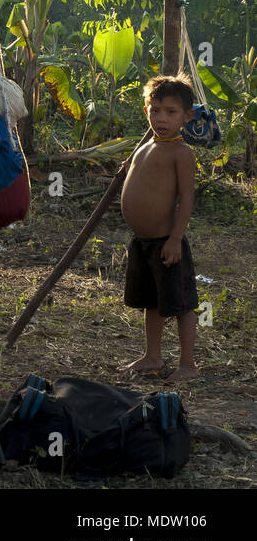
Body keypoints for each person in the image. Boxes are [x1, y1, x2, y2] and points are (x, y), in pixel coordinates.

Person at [120, 74, 199, 381]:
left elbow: (186, 199)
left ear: (187, 117)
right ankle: (153, 356)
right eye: (155, 110)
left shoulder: (181, 153)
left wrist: (176, 239)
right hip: (143, 242)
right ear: (146, 111)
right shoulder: (145, 146)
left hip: (167, 242)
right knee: (150, 303)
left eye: (171, 112)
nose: (161, 118)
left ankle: (188, 364)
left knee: (181, 304)